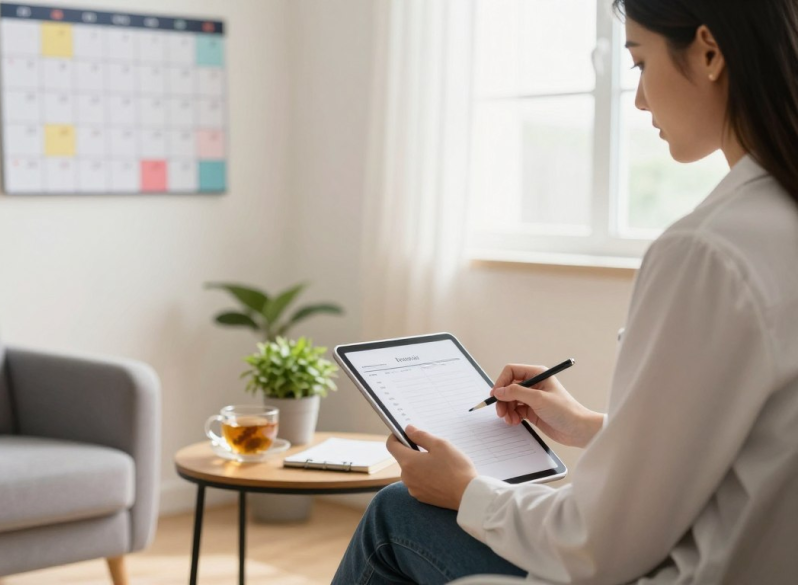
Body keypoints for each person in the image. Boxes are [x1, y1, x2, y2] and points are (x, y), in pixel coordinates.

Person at [333, 0, 798, 583]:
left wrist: (467, 491)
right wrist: (586, 425)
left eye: (638, 63)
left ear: (709, 51)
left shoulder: (708, 252)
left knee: (396, 512)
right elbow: (746, 448)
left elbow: (596, 546)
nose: (640, 100)